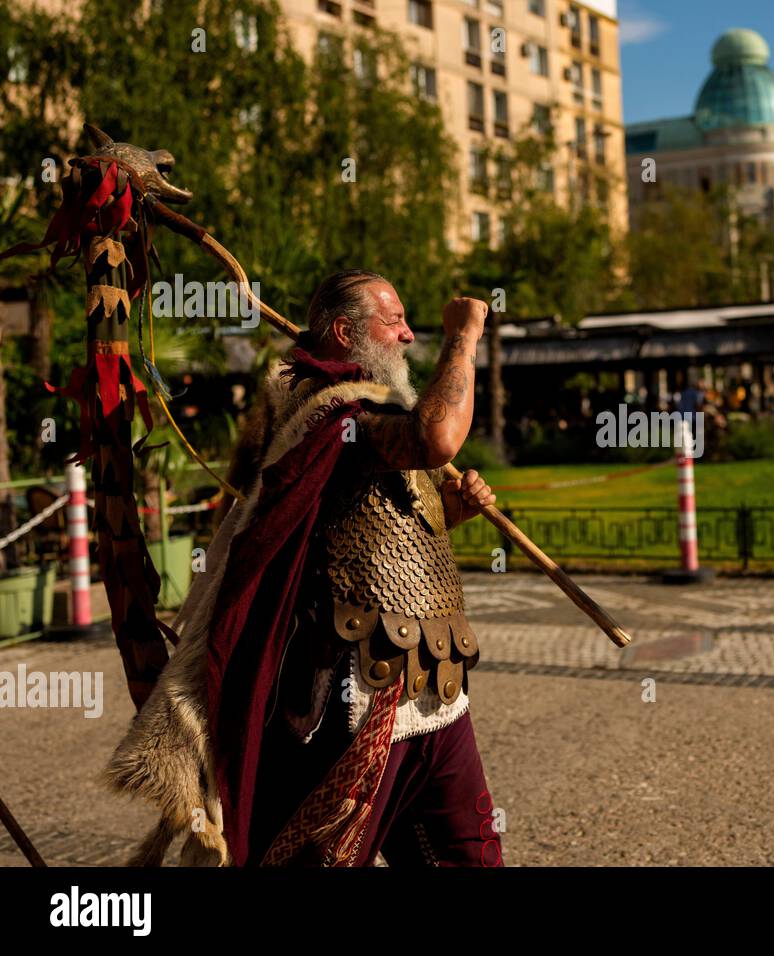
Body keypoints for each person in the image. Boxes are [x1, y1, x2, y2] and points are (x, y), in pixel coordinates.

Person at [107, 270, 502, 867]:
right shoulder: (334, 416)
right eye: (392, 320)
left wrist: (450, 511)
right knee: (319, 859)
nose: (408, 336)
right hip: (366, 688)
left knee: (469, 856)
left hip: (438, 685)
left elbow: (374, 532)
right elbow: (438, 436)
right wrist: (465, 336)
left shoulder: (375, 411)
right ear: (345, 332)